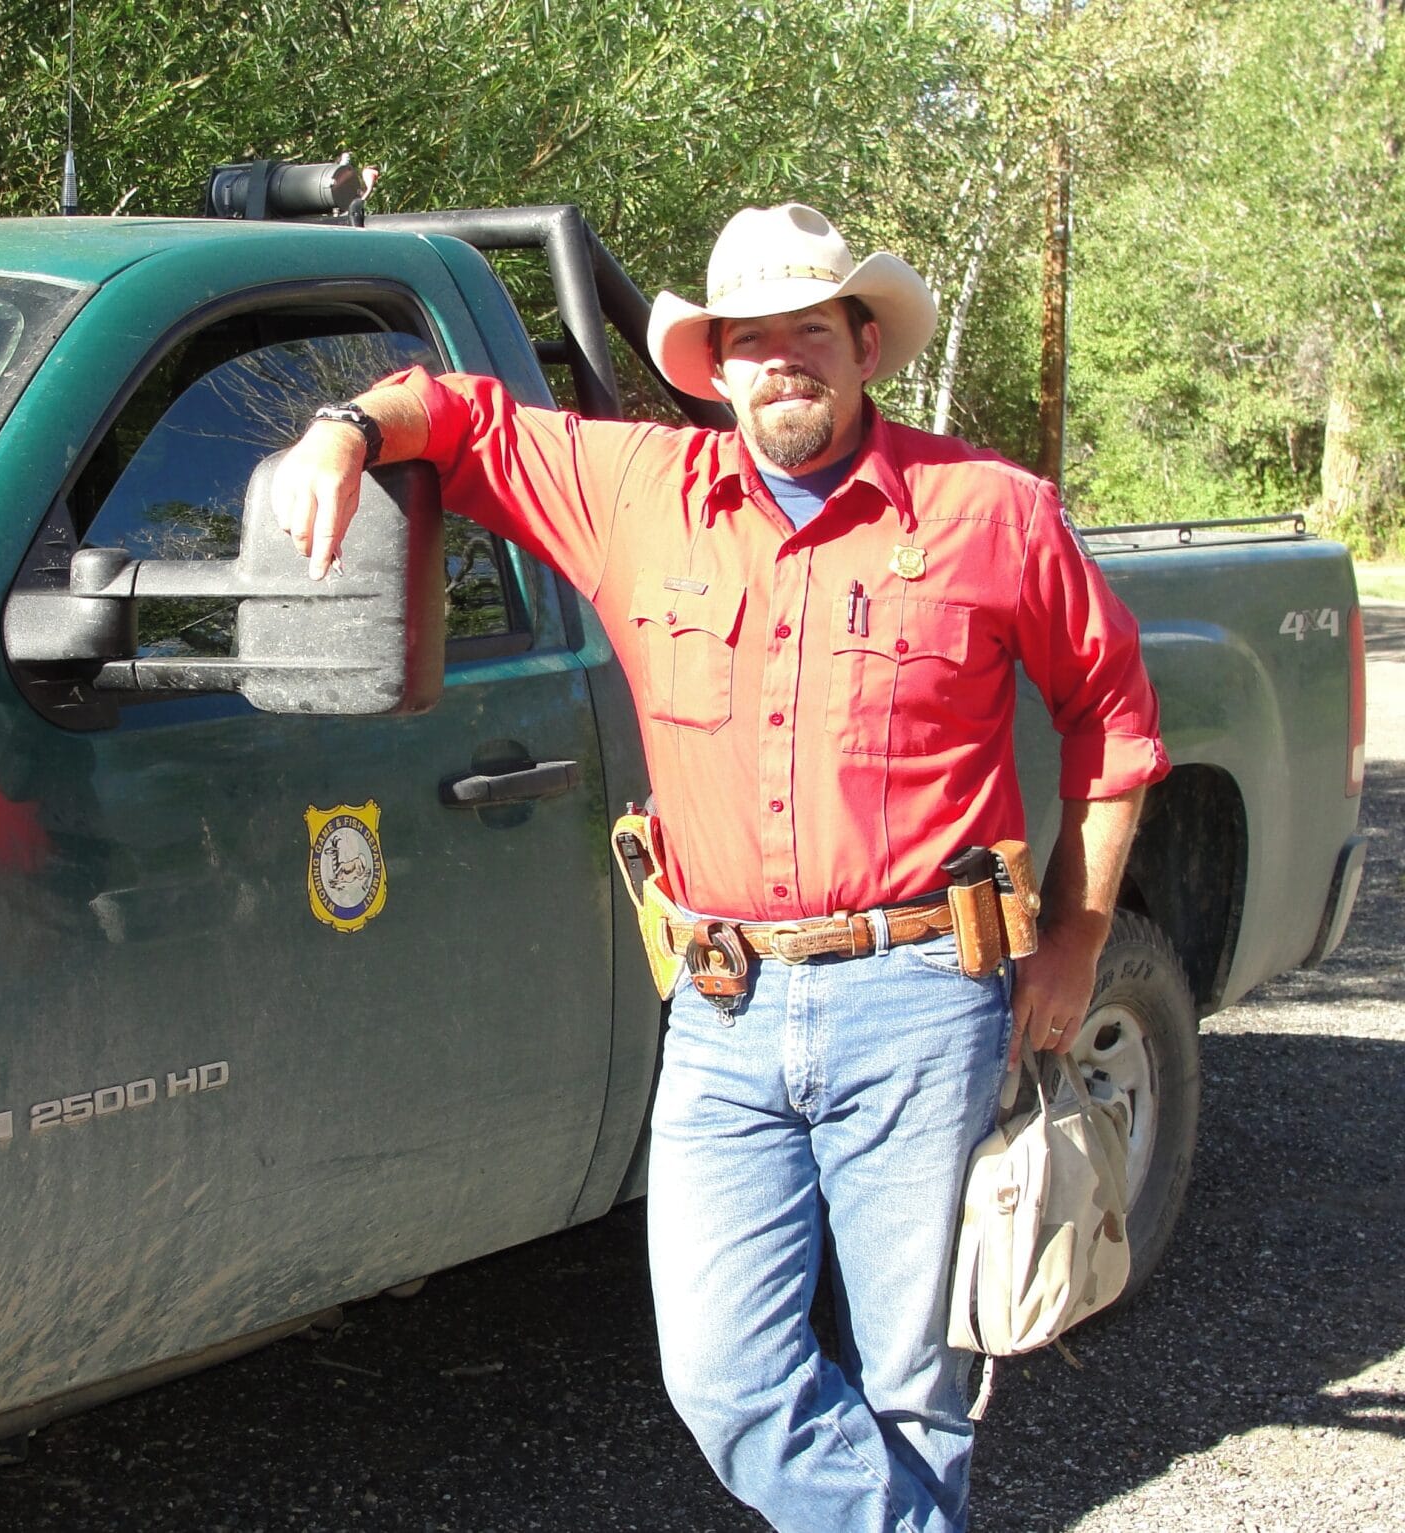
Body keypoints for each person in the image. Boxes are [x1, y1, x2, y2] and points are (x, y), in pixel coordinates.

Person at [270, 201, 1168, 1532]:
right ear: (716, 363)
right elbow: (456, 414)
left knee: (914, 1378)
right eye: (752, 338)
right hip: (723, 1010)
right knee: (725, 1376)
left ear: (866, 344)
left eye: (811, 329)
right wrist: (342, 431)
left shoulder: (990, 514)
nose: (782, 360)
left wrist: (1082, 933)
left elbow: (1115, 717)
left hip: (923, 996)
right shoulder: (640, 494)